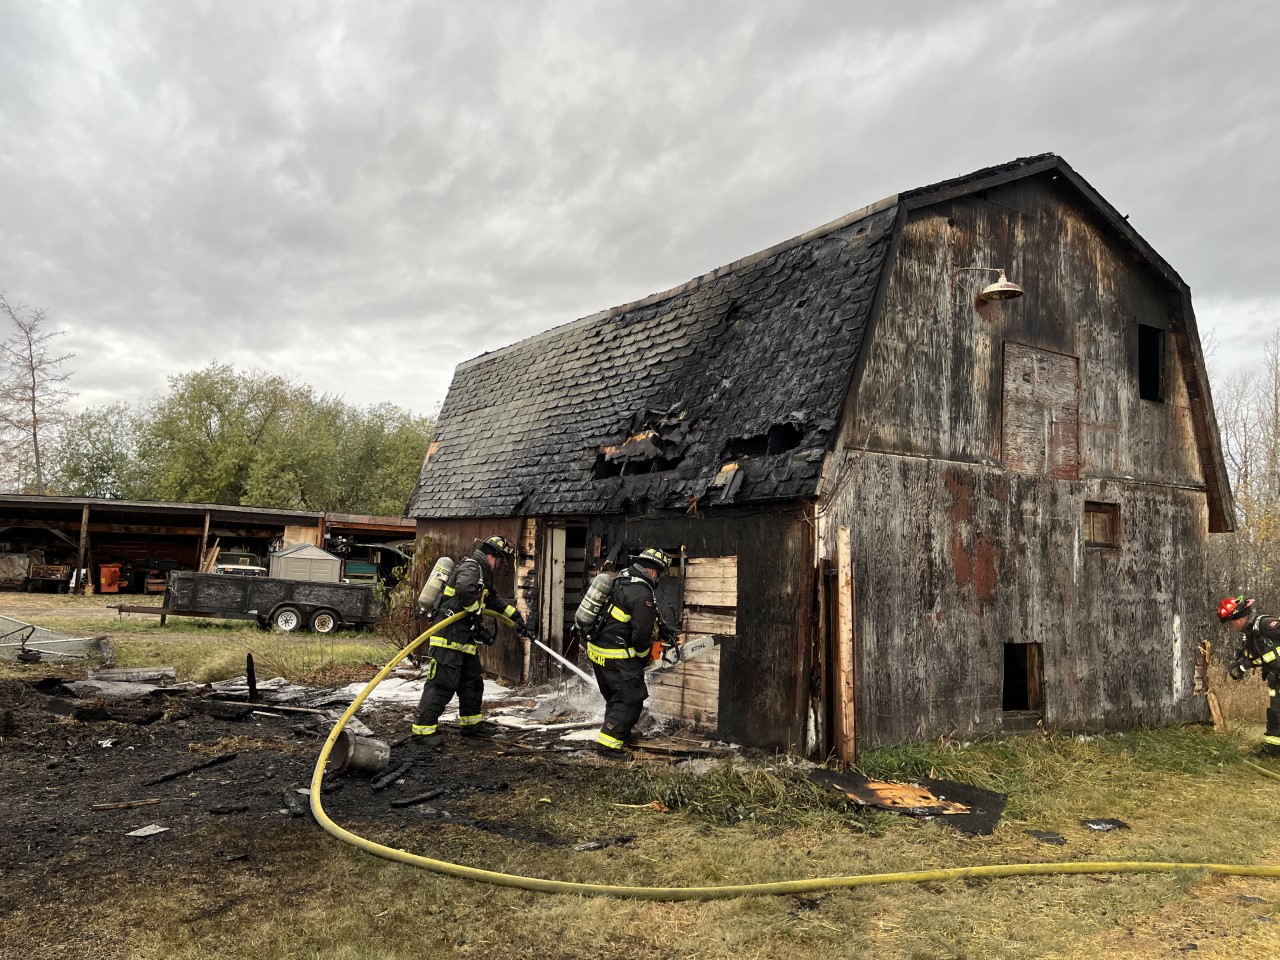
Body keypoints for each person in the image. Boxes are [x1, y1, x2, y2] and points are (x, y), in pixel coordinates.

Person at [411, 535, 525, 747]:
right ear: (493, 557)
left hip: (463, 642)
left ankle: (471, 725)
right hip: (448, 639)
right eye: (500, 561)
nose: (499, 566)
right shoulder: (472, 568)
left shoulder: (482, 576)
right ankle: (422, 731)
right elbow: (464, 590)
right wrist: (475, 612)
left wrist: (516, 618)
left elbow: (493, 601)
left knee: (472, 682)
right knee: (442, 685)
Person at [587, 547, 676, 760]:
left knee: (615, 698)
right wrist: (644, 655)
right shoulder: (642, 592)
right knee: (630, 700)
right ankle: (608, 746)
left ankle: (620, 733)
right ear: (653, 572)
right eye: (660, 574)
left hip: (599, 653)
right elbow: (641, 634)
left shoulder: (620, 579)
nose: (659, 579)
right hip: (618, 657)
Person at [1219, 595, 1280, 757]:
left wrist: (1244, 665)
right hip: (1276, 679)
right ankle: (1273, 750)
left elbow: (1268, 655)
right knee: (1275, 713)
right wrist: (1239, 666)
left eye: (1231, 622)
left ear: (1239, 618)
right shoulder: (1252, 634)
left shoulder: (1266, 625)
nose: (1232, 626)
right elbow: (1253, 657)